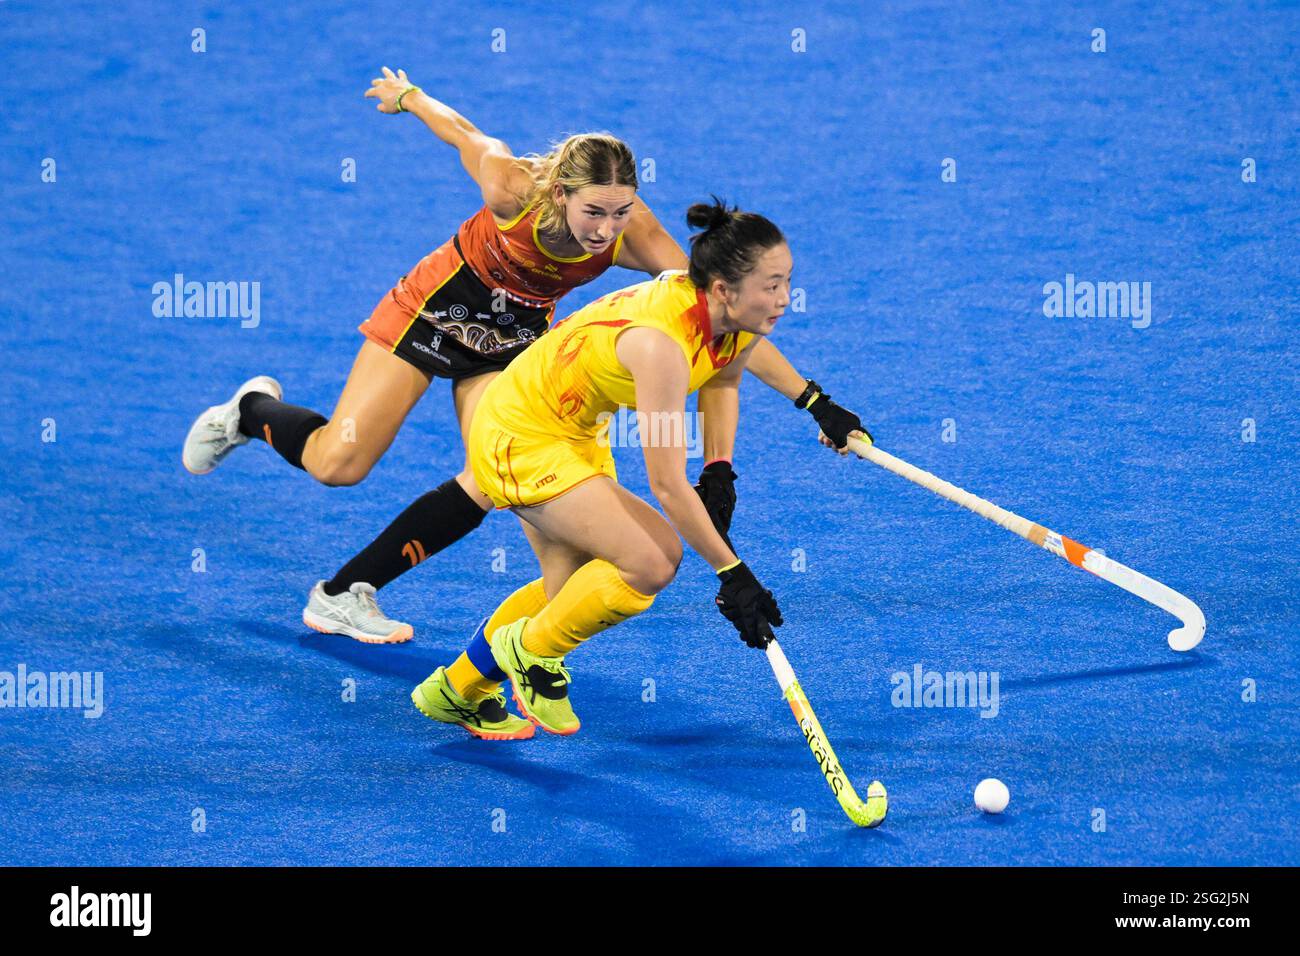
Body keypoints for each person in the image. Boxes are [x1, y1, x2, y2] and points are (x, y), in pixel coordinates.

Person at [181, 68, 863, 645]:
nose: (607, 231)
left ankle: (347, 590)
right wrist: (409, 96)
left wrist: (812, 400)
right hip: (436, 309)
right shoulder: (511, 189)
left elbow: (721, 323)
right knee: (338, 463)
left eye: (621, 212)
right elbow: (465, 133)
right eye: (595, 211)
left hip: (513, 343)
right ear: (561, 194)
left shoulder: (636, 233)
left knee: (495, 471)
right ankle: (251, 410)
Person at [409, 199, 872, 739]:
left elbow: (723, 378)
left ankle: (456, 689)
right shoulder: (660, 347)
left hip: (571, 427)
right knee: (653, 559)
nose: (784, 299)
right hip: (518, 437)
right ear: (724, 288)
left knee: (575, 587)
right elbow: (668, 486)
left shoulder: (725, 313)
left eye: (787, 281)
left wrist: (740, 456)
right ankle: (530, 652)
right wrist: (733, 574)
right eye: (771, 286)